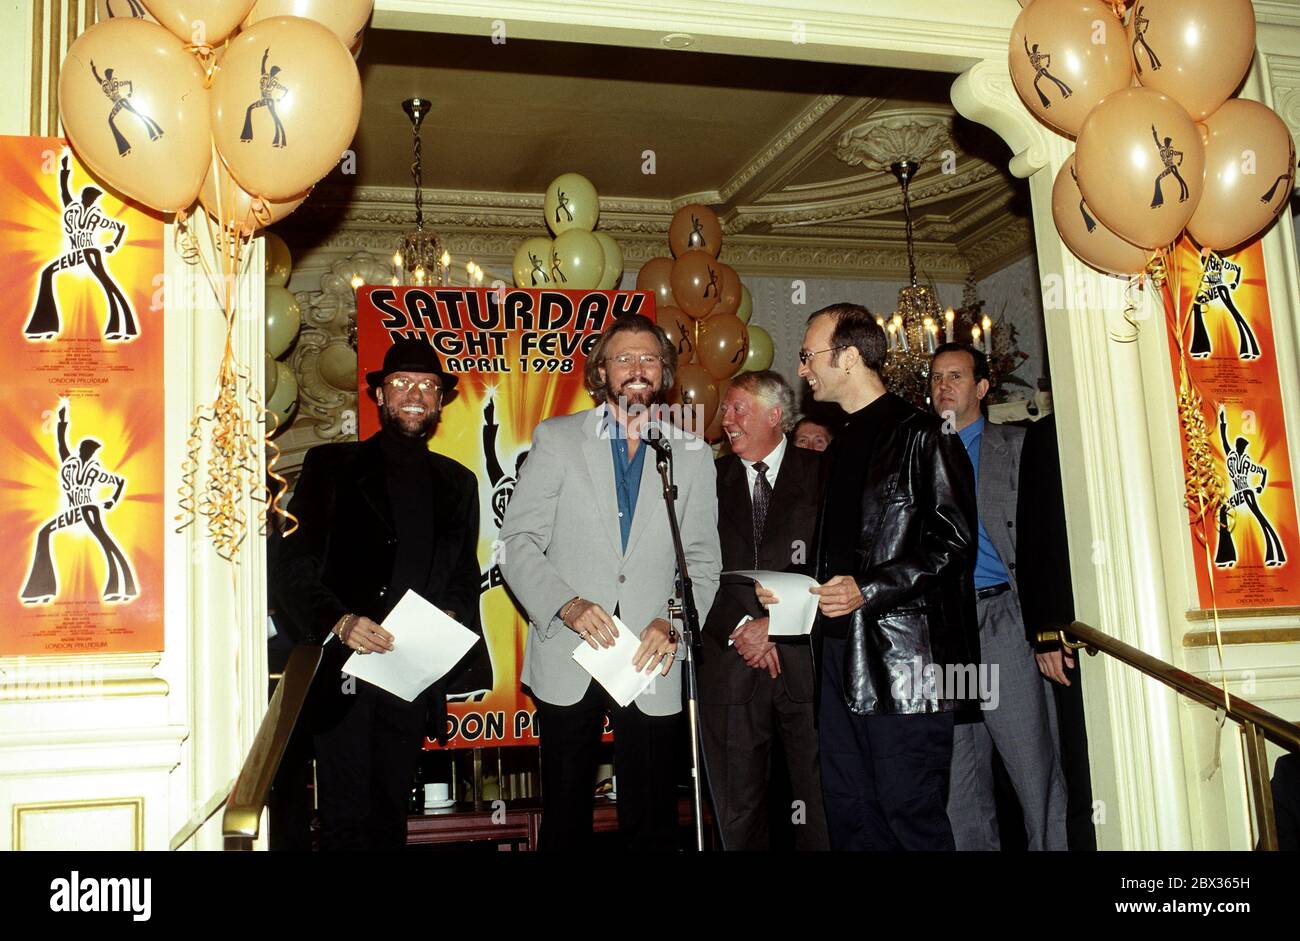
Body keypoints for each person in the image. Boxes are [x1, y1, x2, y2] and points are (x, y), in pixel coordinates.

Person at [498, 314, 721, 850]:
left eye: (648, 359)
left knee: (653, 820)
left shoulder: (690, 454)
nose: (637, 369)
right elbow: (516, 544)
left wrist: (670, 625)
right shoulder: (556, 438)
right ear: (601, 371)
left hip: (651, 660)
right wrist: (567, 605)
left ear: (664, 372)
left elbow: (701, 563)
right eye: (624, 358)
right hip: (570, 652)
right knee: (567, 819)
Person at [768, 302, 977, 851]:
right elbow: (841, 558)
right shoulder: (836, 449)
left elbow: (954, 546)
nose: (804, 368)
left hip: (901, 665)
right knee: (851, 818)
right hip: (837, 658)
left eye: (809, 355)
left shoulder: (926, 436)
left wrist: (870, 589)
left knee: (910, 820)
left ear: (851, 356)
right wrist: (795, 594)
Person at [274, 338, 484, 851]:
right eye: (402, 384)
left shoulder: (459, 483)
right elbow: (292, 565)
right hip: (342, 673)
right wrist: (340, 621)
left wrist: (446, 621)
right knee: (344, 824)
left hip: (408, 678)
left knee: (391, 822)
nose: (414, 394)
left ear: (440, 401)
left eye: (427, 387)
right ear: (380, 396)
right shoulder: (330, 466)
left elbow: (462, 577)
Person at [929, 342, 1068, 851]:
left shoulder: (1018, 446)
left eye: (956, 376)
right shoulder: (921, 453)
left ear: (983, 388)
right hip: (946, 630)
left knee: (1033, 768)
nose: (944, 386)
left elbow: (1044, 540)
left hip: (1002, 619)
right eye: (937, 377)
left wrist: (1045, 627)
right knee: (959, 783)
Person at [701, 371, 829, 851]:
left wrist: (776, 626)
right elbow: (688, 566)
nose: (726, 420)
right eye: (726, 409)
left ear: (776, 415)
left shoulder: (821, 474)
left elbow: (831, 564)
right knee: (738, 812)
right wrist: (742, 627)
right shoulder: (706, 481)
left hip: (805, 662)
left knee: (817, 806)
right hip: (731, 661)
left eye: (739, 409)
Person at [1017, 412, 1096, 850]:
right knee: (1081, 757)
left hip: (1141, 620)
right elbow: (1034, 539)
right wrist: (1045, 631)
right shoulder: (1049, 432)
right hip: (1073, 631)